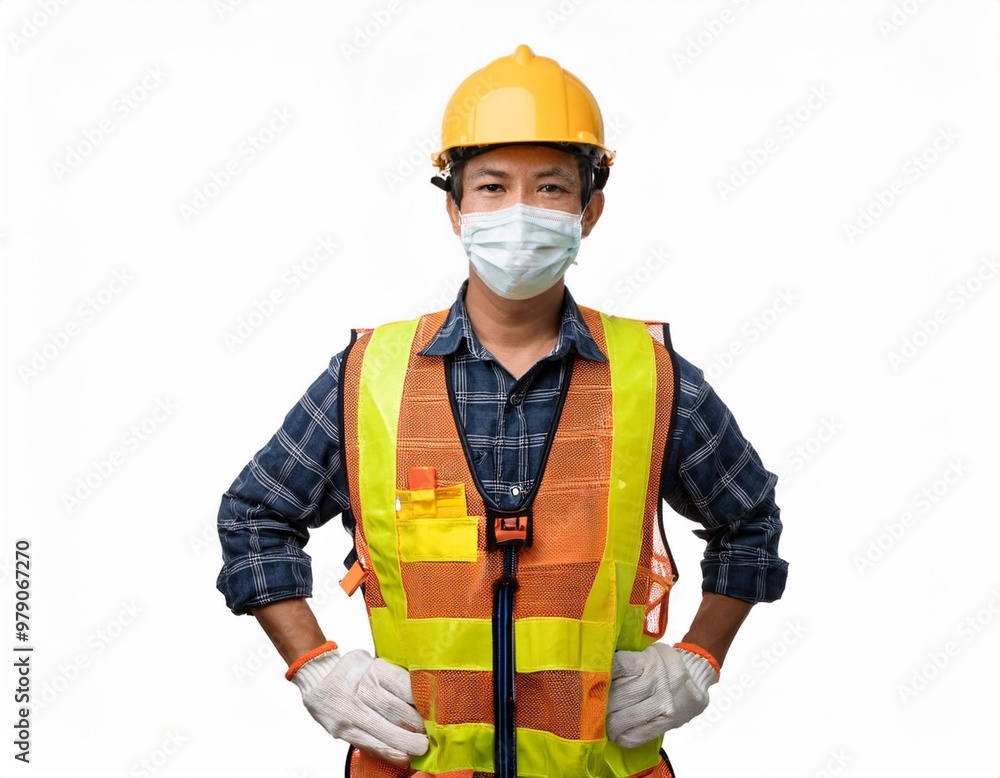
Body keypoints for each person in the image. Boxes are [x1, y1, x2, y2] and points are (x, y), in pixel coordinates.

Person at [217, 44, 788, 778]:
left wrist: (699, 658)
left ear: (591, 208)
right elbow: (253, 516)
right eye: (491, 185)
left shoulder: (654, 378)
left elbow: (750, 525)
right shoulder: (369, 379)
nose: (519, 210)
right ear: (455, 207)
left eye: (550, 187)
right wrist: (319, 668)